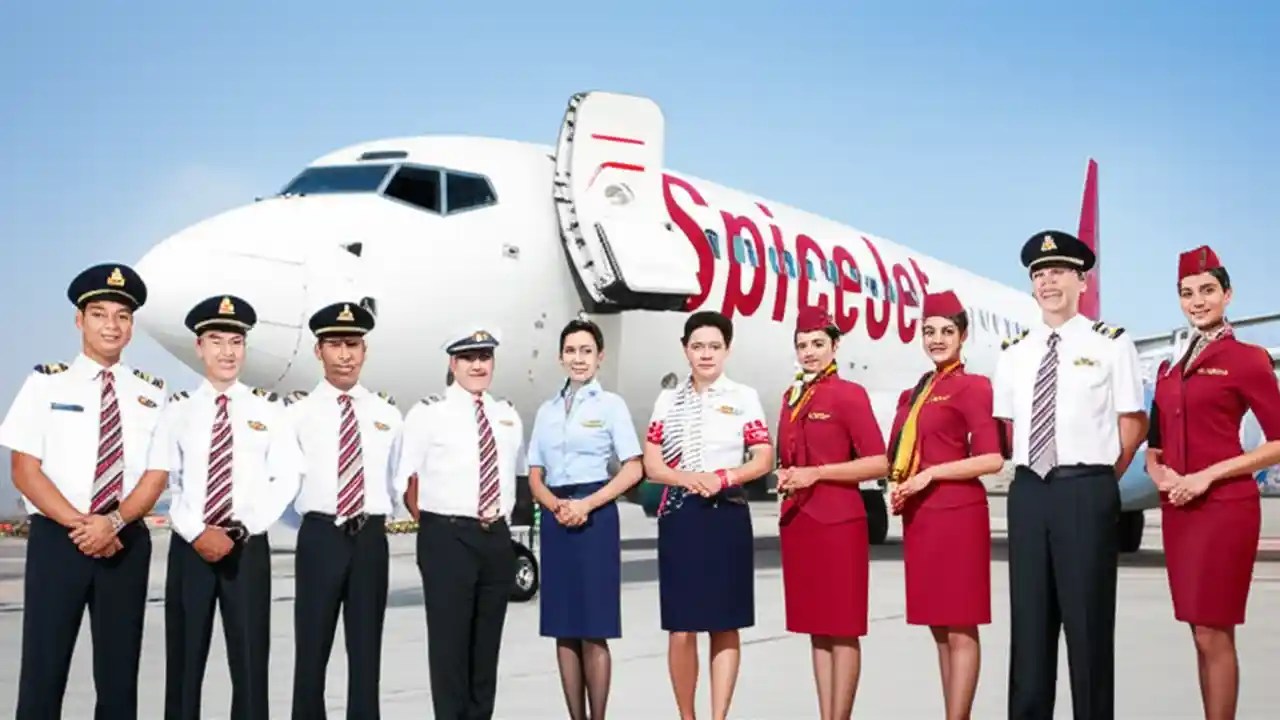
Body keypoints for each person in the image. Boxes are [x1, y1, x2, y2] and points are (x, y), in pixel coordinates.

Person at [0, 263, 171, 719]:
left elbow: (157, 474)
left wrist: (113, 523)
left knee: (119, 679)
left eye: (122, 315)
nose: (111, 325)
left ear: (132, 325)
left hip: (125, 541)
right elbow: (24, 469)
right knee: (43, 670)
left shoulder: (152, 394)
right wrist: (84, 525)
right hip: (61, 539)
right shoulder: (45, 383)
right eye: (99, 313)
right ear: (80, 320)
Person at [992, 230, 1146, 720]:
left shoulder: (1111, 344)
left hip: (1085, 489)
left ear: (1082, 280)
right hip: (1029, 493)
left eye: (1058, 271)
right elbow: (1011, 426)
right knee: (1031, 628)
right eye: (1039, 274)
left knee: (1088, 627)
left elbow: (1132, 422)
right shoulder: (1013, 352)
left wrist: (1100, 475)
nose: (1047, 282)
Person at [1145, 245, 1280, 720]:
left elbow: (1279, 441)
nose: (1197, 301)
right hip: (1180, 509)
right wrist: (1166, 480)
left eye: (1207, 291)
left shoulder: (1247, 358)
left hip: (1225, 508)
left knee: (1213, 631)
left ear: (1228, 294)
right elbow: (1153, 452)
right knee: (1197, 629)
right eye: (1187, 293)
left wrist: (1203, 477)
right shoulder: (1168, 368)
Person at [162, 294, 304, 720]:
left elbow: (287, 475)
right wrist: (196, 531)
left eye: (236, 341)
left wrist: (242, 529)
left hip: (247, 549)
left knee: (249, 663)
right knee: (184, 666)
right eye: (217, 340)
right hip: (190, 547)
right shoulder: (177, 410)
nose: (227, 352)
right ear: (199, 347)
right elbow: (169, 478)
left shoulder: (268, 408)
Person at [641, 310, 775, 720]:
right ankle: (687, 715)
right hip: (682, 515)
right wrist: (689, 477)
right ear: (685, 350)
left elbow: (763, 457)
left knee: (724, 623)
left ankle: (719, 716)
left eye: (714, 346)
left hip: (725, 515)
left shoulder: (742, 397)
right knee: (681, 628)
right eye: (697, 346)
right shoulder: (668, 400)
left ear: (727, 350)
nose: (706, 354)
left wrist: (724, 477)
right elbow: (652, 464)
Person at [887, 290, 1005, 720]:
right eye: (929, 332)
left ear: (963, 336)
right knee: (939, 628)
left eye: (946, 332)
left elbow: (992, 458)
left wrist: (932, 474)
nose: (937, 340)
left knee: (960, 624)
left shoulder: (974, 387)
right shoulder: (914, 393)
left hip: (958, 514)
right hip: (922, 517)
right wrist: (901, 484)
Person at [397, 325, 525, 720]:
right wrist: (437, 523)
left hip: (495, 539)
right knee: (450, 650)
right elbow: (405, 478)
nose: (477, 365)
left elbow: (513, 476)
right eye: (468, 358)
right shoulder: (428, 412)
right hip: (448, 536)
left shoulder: (506, 416)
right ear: (452, 363)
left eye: (484, 357)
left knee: (485, 651)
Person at [286, 301, 404, 720]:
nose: (345, 354)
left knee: (366, 653)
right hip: (321, 536)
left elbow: (396, 481)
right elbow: (281, 479)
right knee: (311, 651)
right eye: (335, 344)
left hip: (370, 539)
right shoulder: (296, 415)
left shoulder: (387, 414)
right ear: (318, 351)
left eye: (353, 344)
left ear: (365, 350)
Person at [525, 318, 644, 720]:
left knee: (594, 628)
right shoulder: (546, 410)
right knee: (563, 627)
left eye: (586, 351)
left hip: (595, 517)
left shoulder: (611, 406)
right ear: (561, 358)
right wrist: (554, 505)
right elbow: (535, 474)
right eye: (571, 351)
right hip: (558, 517)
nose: (579, 359)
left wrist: (586, 505)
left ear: (600, 357)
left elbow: (632, 468)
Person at [775, 306, 889, 720]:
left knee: (842, 630)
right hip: (800, 525)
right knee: (817, 631)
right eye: (802, 345)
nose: (809, 352)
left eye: (818, 344)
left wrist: (816, 473)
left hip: (839, 524)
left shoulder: (849, 394)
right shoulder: (791, 397)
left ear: (835, 346)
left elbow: (879, 463)